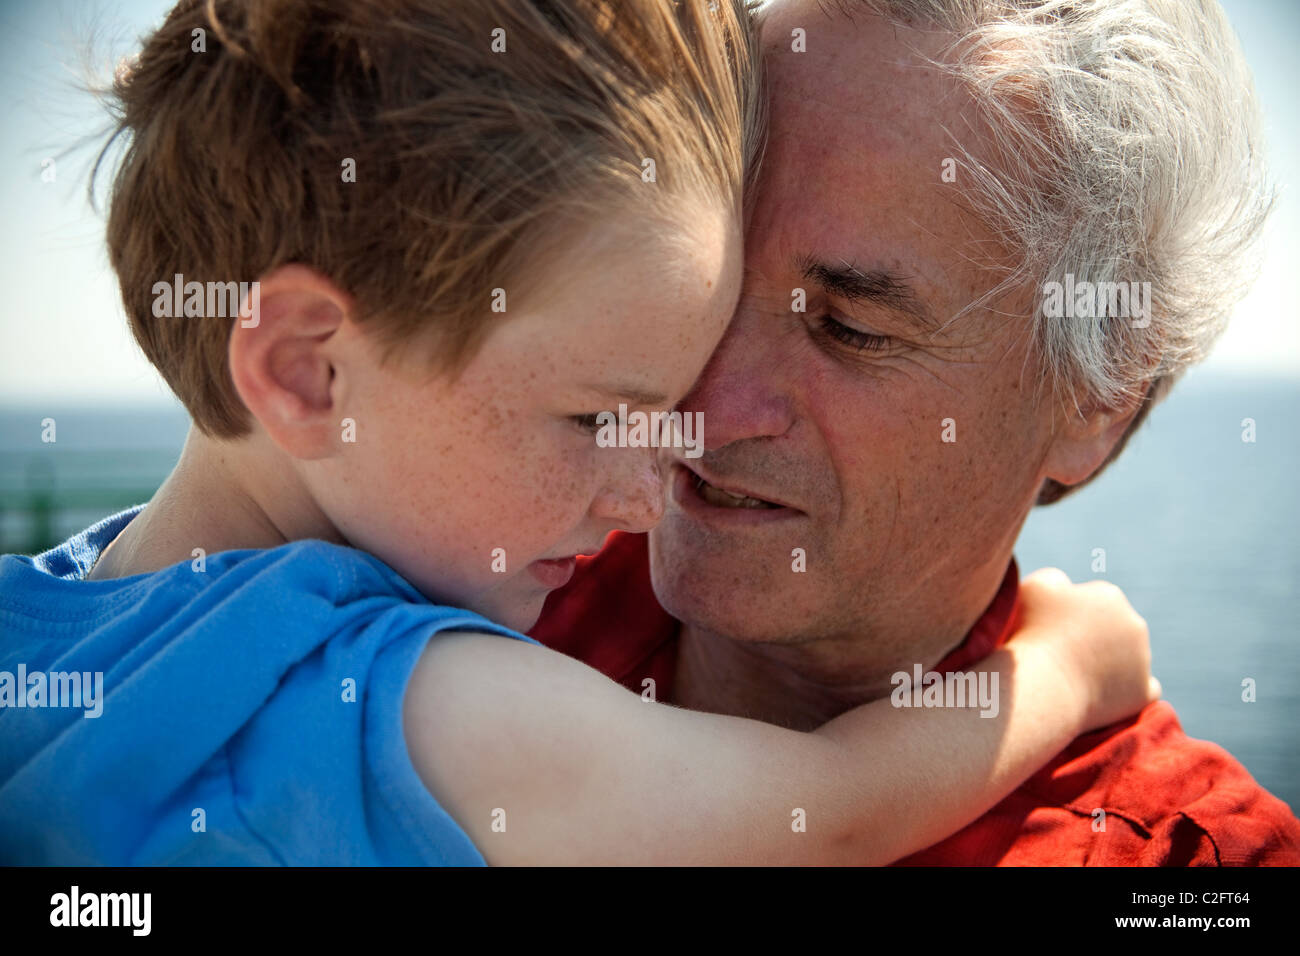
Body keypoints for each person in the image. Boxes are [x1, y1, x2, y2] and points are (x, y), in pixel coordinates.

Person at [0, 0, 1157, 866]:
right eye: (599, 414)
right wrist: (1063, 666)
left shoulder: (30, 621)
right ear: (305, 369)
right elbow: (826, 811)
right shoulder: (419, 703)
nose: (650, 489)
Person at [531, 0, 1300, 865]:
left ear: (1100, 393)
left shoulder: (1197, 872)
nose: (703, 403)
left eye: (850, 328)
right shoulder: (443, 585)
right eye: (708, 277)